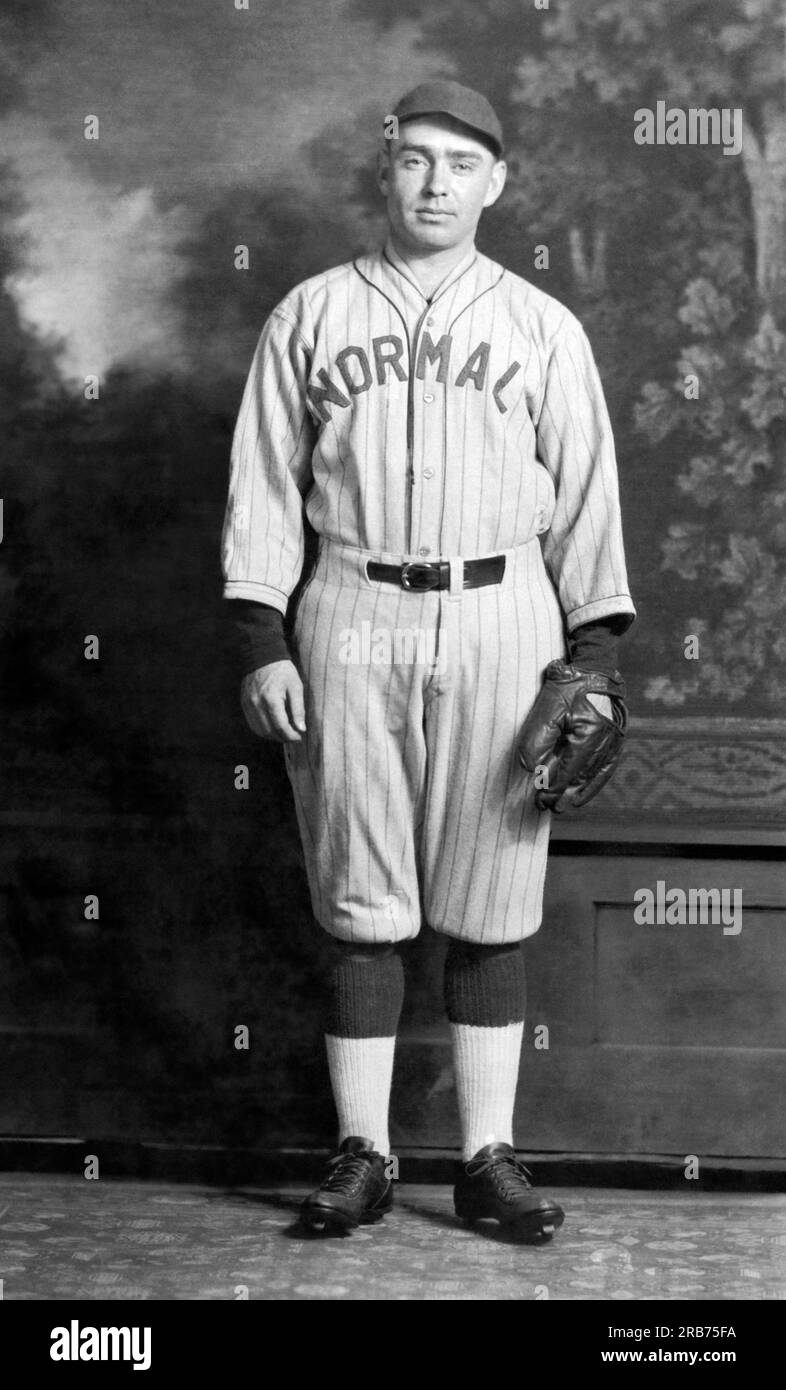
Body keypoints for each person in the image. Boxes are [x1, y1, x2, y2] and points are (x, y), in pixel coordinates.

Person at [221, 79, 635, 1242]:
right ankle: (365, 1152)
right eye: (418, 160)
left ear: (497, 182)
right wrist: (262, 637)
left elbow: (589, 494)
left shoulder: (543, 326)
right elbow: (261, 483)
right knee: (363, 896)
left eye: (464, 163)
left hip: (507, 614)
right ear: (386, 168)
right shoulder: (308, 314)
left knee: (491, 900)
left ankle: (488, 1159)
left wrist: (594, 650)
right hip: (349, 605)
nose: (439, 182)